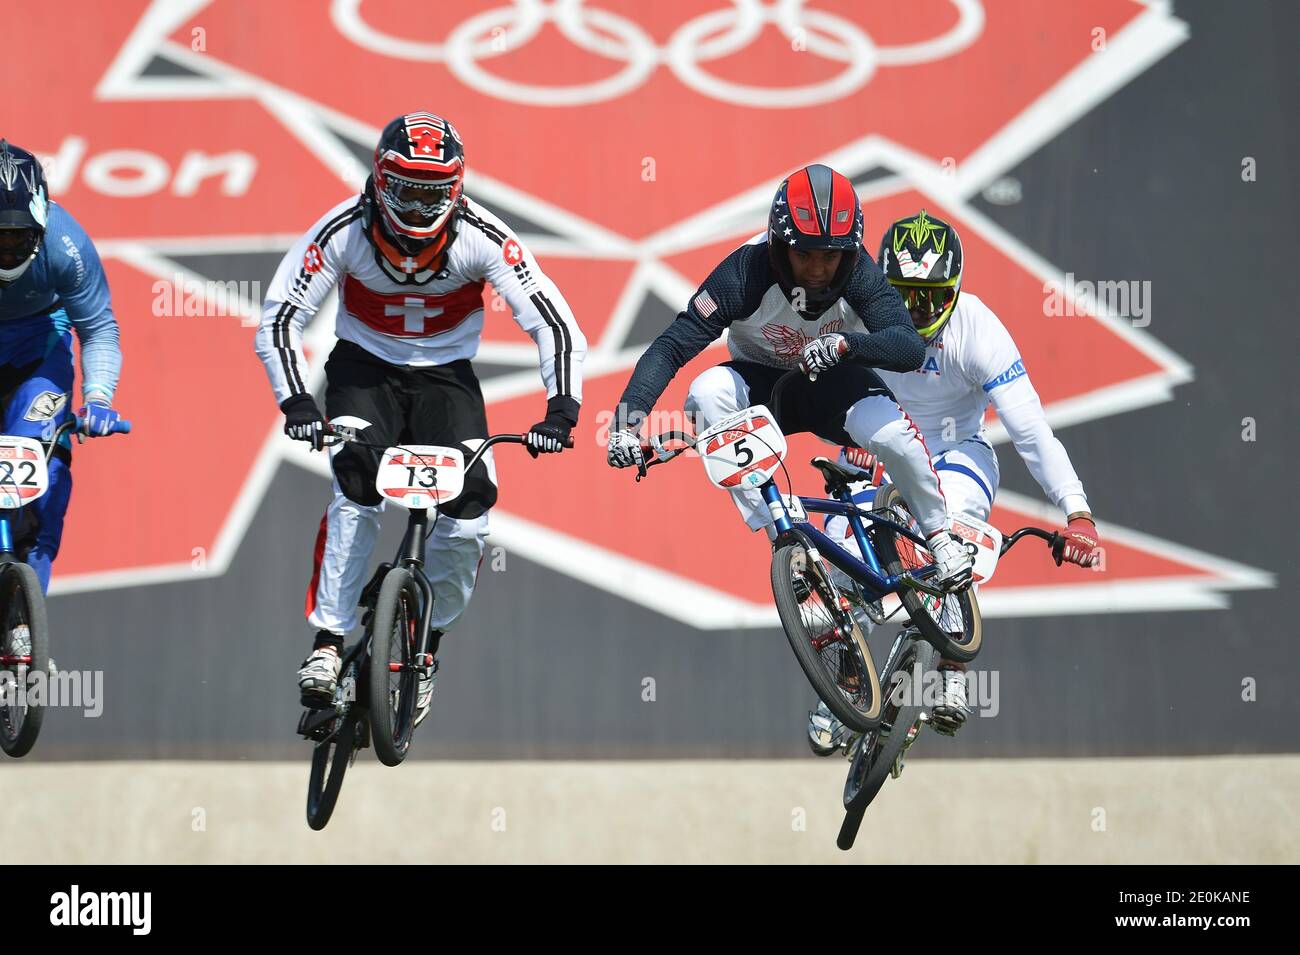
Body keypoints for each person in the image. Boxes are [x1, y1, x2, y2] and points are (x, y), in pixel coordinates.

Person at [254, 113, 586, 721]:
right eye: (407, 189)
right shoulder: (343, 231)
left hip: (445, 380)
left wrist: (562, 409)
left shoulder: (482, 236)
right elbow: (279, 318)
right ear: (379, 182)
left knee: (469, 511)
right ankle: (327, 643)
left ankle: (426, 649)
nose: (418, 205)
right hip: (364, 371)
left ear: (456, 190)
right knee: (355, 486)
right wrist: (296, 401)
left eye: (434, 192)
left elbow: (554, 323)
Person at [808, 209, 1101, 748]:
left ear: (957, 293)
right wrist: (847, 446)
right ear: (880, 288)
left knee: (957, 528)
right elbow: (813, 400)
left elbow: (1031, 430)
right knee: (839, 570)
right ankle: (844, 681)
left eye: (933, 299)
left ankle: (949, 668)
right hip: (874, 448)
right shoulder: (850, 314)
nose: (917, 314)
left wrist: (1076, 511)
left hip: (955, 452)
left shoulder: (979, 328)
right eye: (904, 298)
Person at [605, 164, 972, 591]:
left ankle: (941, 537)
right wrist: (625, 423)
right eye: (804, 254)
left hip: (836, 383)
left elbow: (908, 348)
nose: (817, 270)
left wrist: (846, 347)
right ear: (780, 247)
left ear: (849, 253)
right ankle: (782, 534)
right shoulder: (742, 274)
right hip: (763, 393)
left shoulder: (860, 273)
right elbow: (672, 346)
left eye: (830, 256)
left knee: (890, 435)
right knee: (706, 394)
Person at [0, 140, 124, 614]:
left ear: (42, 220)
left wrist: (97, 397)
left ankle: (21, 618)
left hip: (39, 352)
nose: (9, 249)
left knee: (46, 473)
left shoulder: (67, 245)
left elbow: (99, 329)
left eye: (19, 236)